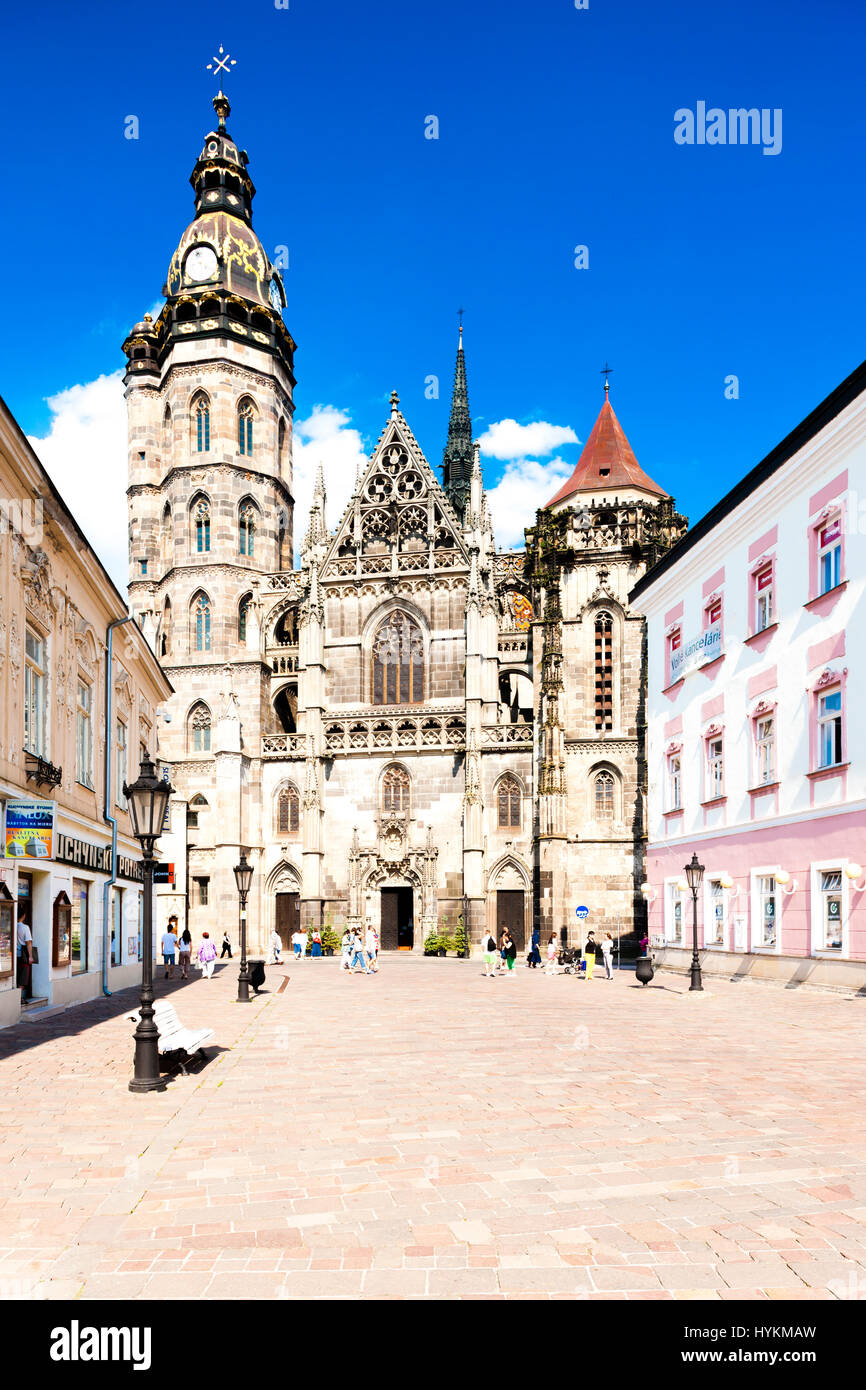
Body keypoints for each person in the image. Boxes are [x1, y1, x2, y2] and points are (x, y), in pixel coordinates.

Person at [16, 911, 33, 1001]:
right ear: (23, 915)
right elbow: (28, 942)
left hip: (13, 956)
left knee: (16, 975)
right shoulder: (24, 927)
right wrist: (30, 956)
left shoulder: (11, 924)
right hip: (23, 955)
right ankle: (19, 998)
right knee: (23, 976)